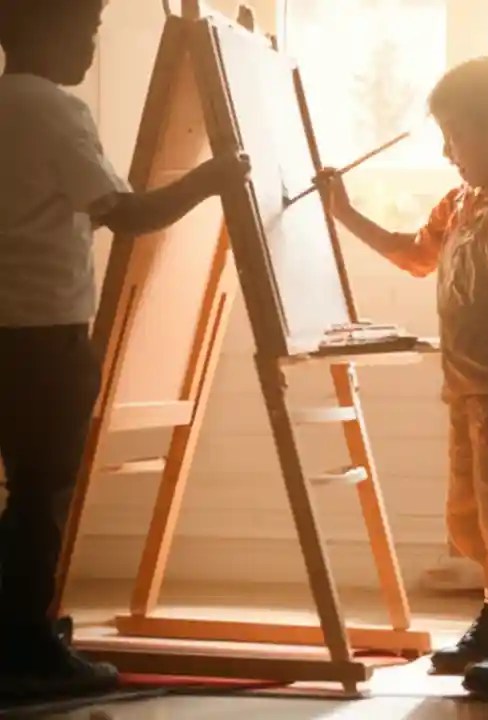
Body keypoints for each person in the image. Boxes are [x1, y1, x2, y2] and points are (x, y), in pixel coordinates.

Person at [0, 0, 250, 697]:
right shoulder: (53, 110)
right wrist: (210, 177)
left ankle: (17, 630)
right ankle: (23, 650)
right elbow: (128, 215)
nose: (89, 48)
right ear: (46, 33)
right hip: (46, 333)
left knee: (25, 491)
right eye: (86, 33)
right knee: (40, 493)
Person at [319, 54, 488, 693]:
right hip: (469, 389)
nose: (446, 151)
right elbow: (415, 256)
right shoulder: (463, 202)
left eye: (455, 136)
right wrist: (344, 215)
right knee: (475, 514)